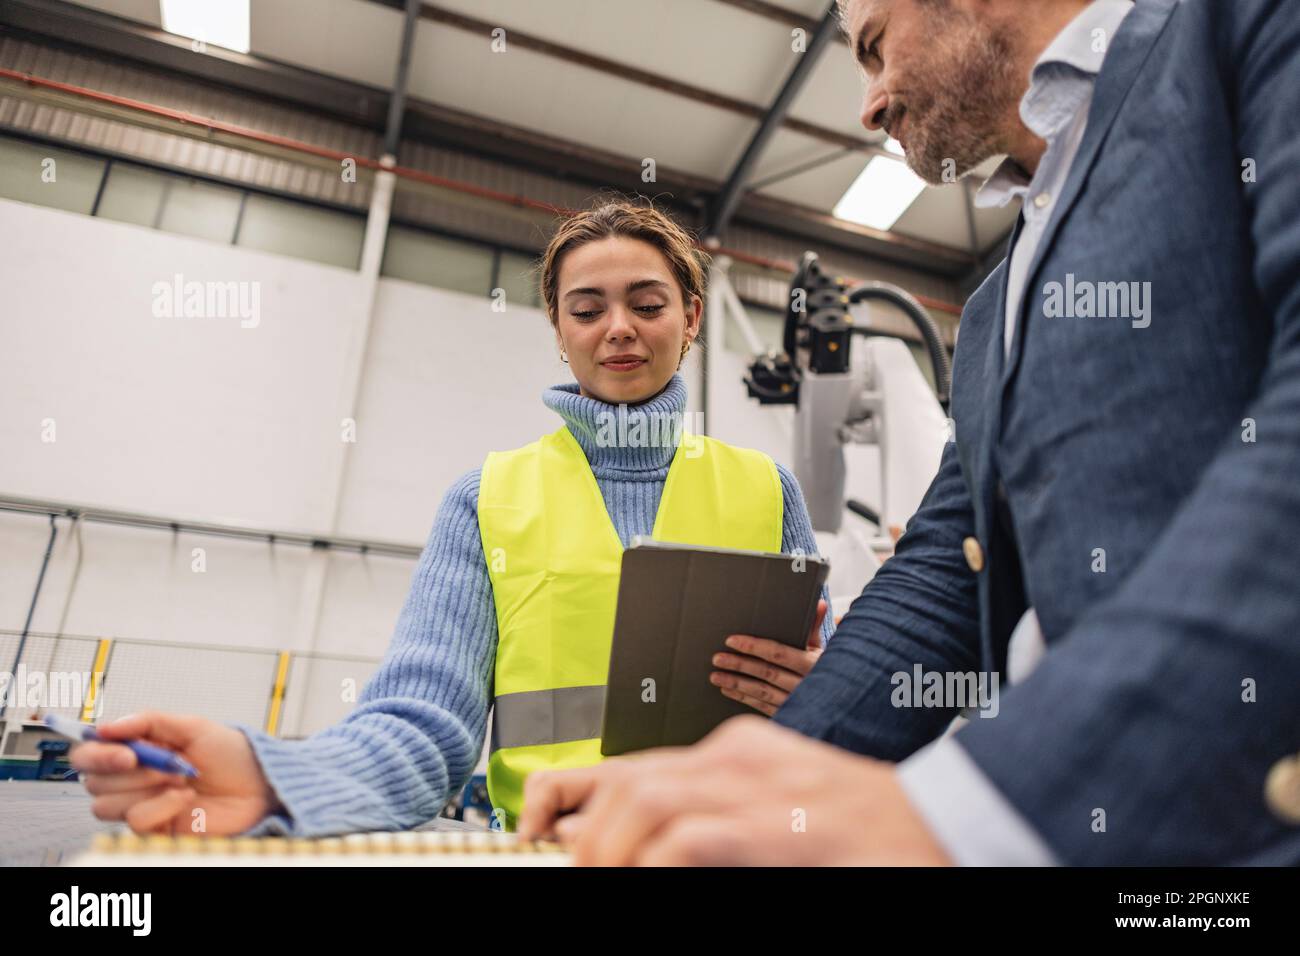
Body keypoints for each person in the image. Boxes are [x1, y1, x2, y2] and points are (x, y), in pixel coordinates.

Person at [518, 0, 1300, 866]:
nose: (870, 104)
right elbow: (941, 578)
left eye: (874, 49)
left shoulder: (1242, 31)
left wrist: (973, 806)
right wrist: (751, 778)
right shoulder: (1000, 304)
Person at [68, 199, 833, 835]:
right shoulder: (487, 499)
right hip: (553, 851)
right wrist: (278, 777)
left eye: (648, 303)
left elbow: (834, 713)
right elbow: (423, 721)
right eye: (587, 309)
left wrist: (821, 690)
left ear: (692, 317)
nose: (619, 328)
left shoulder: (768, 492)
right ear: (560, 333)